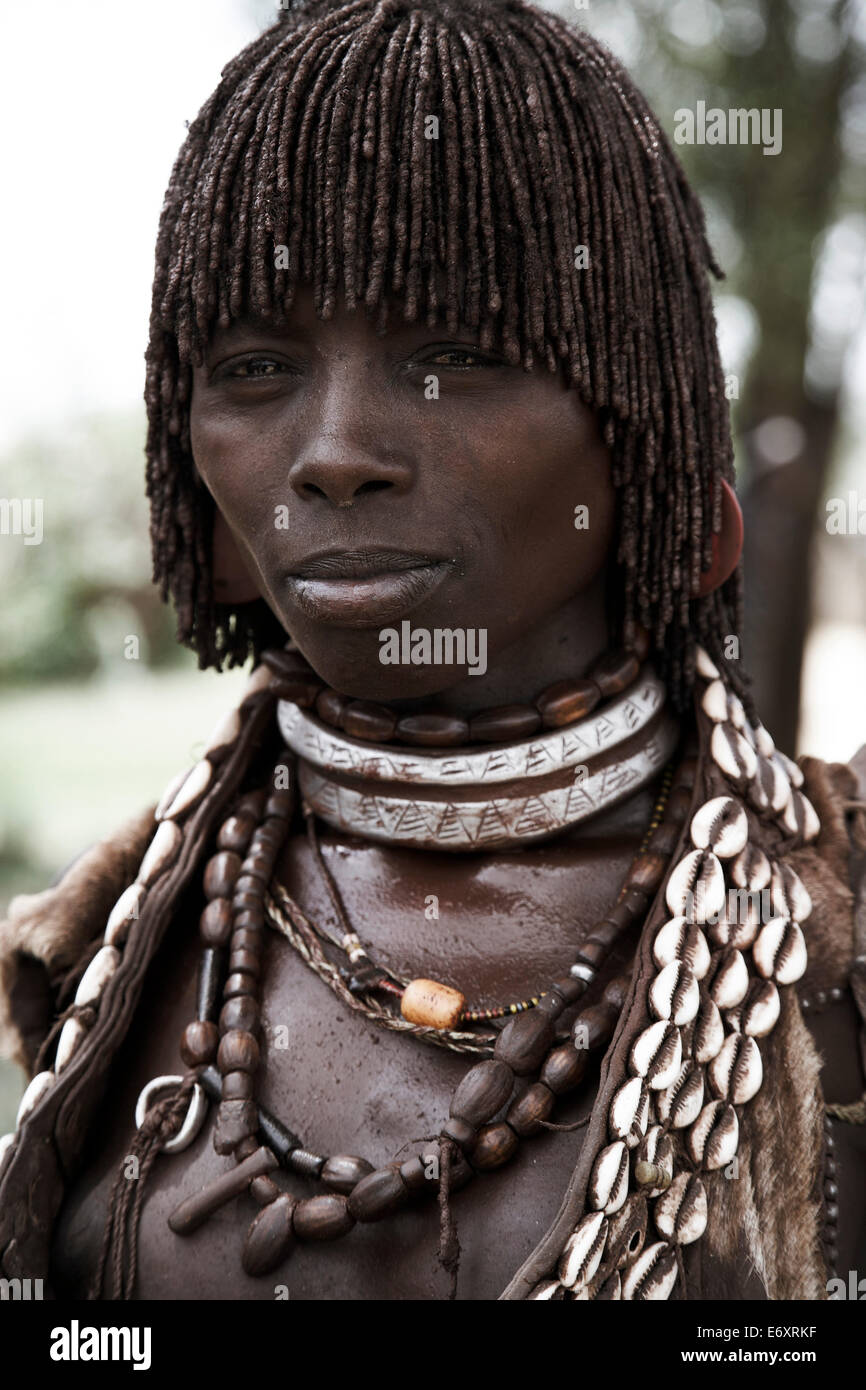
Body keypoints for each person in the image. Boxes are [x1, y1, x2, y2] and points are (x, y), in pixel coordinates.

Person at [1, 0, 864, 1302]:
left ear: (652, 457)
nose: (335, 450)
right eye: (254, 366)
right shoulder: (107, 946)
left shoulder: (830, 941)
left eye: (452, 355)